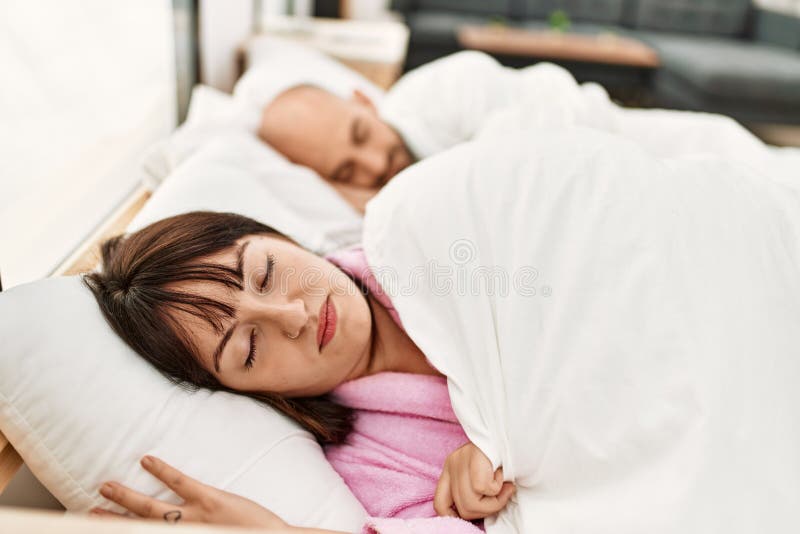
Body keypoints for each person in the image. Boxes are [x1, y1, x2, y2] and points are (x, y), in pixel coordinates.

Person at [84, 211, 515, 533]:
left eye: (266, 274)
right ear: (246, 391)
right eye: (249, 348)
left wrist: (503, 433)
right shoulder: (365, 462)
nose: (293, 317)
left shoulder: (427, 238)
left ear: (274, 235)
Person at [258, 51, 791, 212]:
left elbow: (533, 155)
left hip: (665, 151)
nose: (374, 164)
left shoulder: (441, 89)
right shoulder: (382, 204)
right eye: (348, 170)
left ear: (363, 99)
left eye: (359, 135)